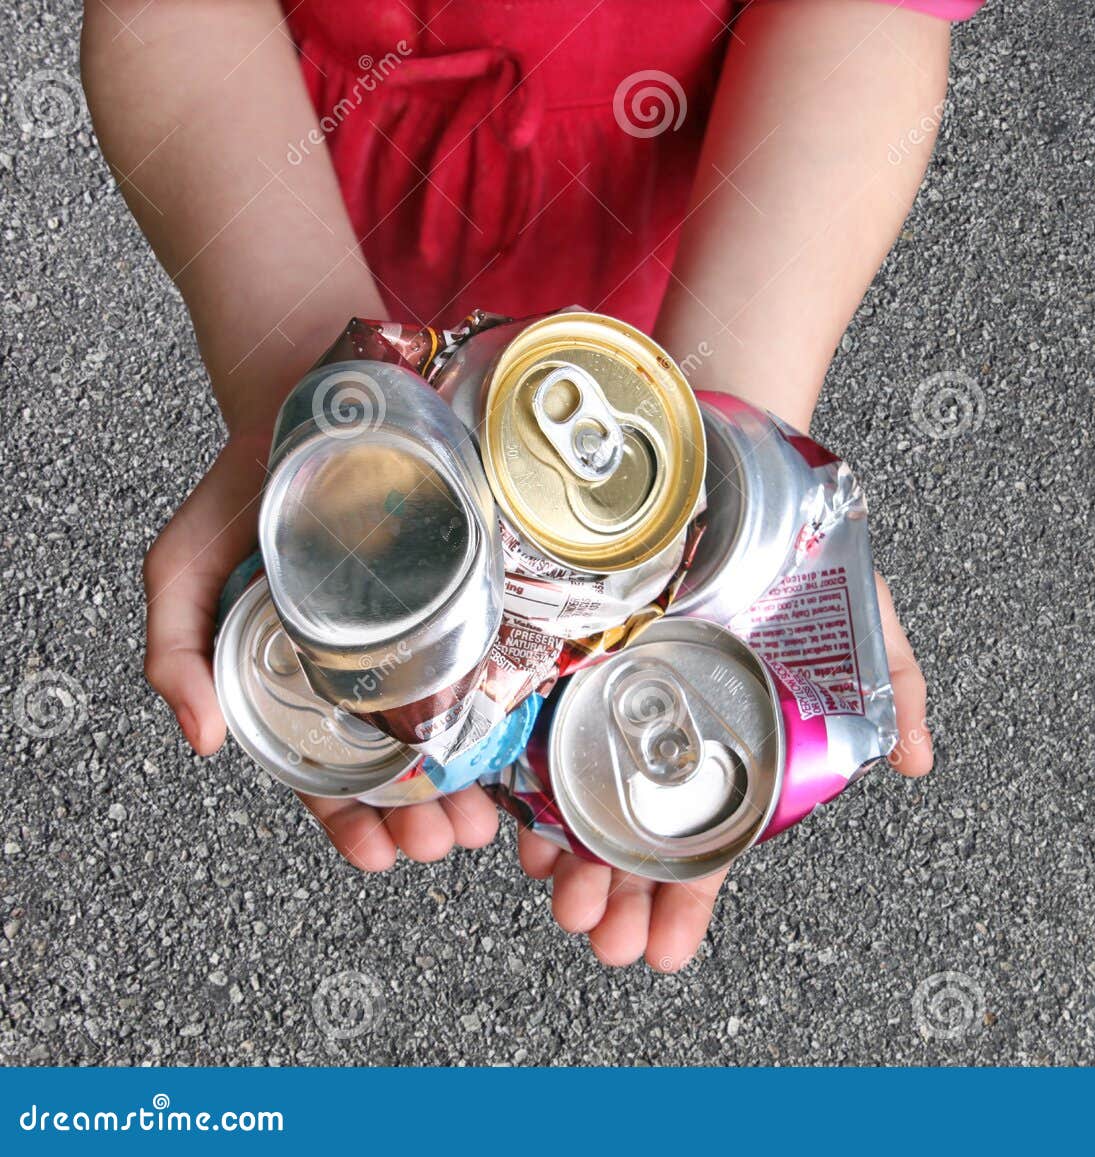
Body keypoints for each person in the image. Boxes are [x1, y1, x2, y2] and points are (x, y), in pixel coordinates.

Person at [82, 0, 973, 971]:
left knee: (582, 406)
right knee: (483, 405)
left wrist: (733, 442)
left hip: (692, 224)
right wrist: (299, 387)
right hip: (312, 184)